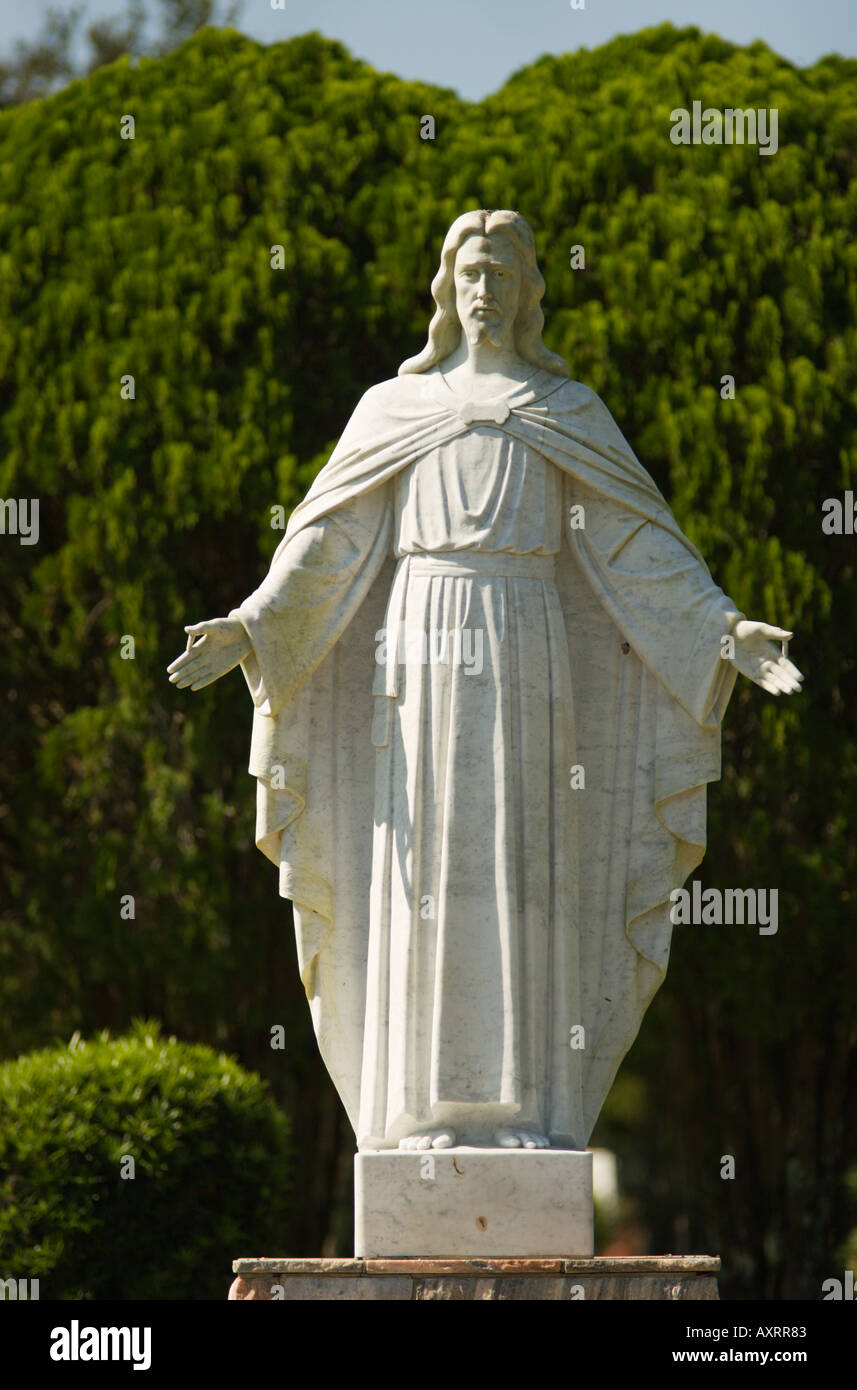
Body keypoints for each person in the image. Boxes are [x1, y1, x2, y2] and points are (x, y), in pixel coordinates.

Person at [168, 209, 802, 1153]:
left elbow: (636, 549)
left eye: (503, 272)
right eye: (470, 271)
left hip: (524, 646)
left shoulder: (566, 412)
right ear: (445, 288)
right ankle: (419, 1115)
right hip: (421, 648)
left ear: (529, 289)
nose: (485, 289)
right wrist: (256, 623)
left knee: (520, 866)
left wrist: (719, 629)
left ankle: (524, 1115)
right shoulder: (396, 410)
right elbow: (329, 545)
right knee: (420, 864)